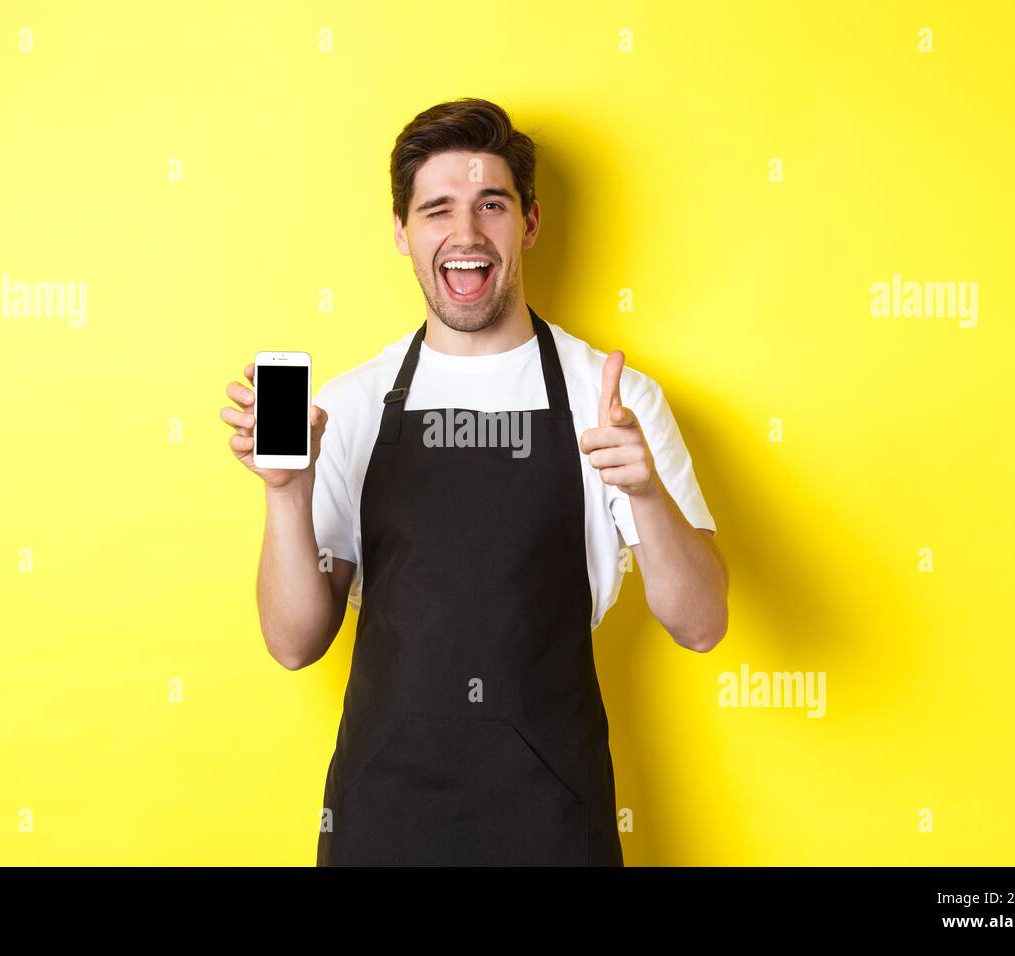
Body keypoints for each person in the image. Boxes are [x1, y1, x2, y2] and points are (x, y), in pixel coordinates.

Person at [222, 98, 729, 866]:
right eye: (437, 210)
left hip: (554, 821)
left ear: (527, 224)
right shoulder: (353, 406)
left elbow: (702, 625)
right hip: (382, 818)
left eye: (491, 205)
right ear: (402, 231)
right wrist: (285, 492)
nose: (465, 236)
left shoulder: (612, 398)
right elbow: (294, 643)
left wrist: (649, 497)